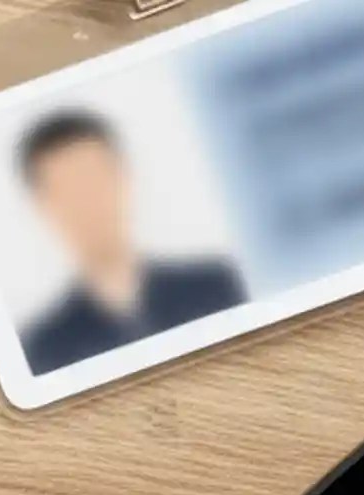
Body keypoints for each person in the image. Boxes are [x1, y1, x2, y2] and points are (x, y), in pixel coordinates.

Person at [17, 112, 247, 375]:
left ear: (124, 179)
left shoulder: (217, 285)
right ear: (43, 205)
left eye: (93, 181)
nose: (88, 204)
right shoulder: (44, 350)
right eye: (67, 190)